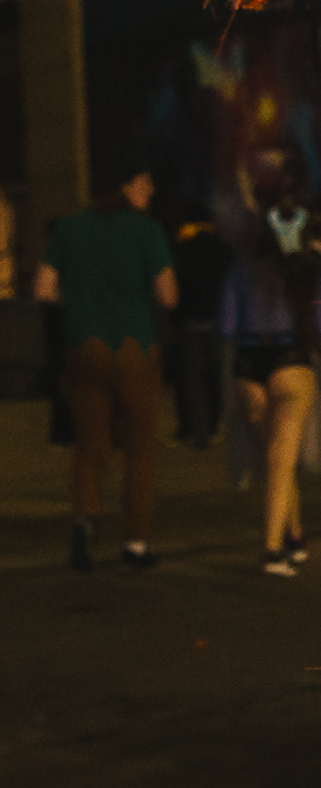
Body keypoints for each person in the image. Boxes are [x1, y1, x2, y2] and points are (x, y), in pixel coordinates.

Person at [33, 160, 176, 571]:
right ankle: (135, 542)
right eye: (145, 182)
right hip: (135, 349)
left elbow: (43, 288)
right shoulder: (147, 231)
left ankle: (83, 521)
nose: (150, 190)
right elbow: (169, 296)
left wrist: (78, 303)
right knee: (139, 448)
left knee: (90, 445)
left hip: (84, 348)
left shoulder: (70, 228)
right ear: (126, 186)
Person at [219, 178, 321, 575]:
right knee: (281, 460)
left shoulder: (241, 271)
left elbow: (226, 326)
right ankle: (272, 551)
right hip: (291, 360)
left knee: (275, 457)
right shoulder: (306, 274)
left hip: (249, 366)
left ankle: (296, 533)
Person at [171, 207, 231, 449]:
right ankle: (217, 424)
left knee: (194, 381)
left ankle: (200, 431)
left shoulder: (183, 252)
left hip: (192, 323)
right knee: (219, 378)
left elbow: (176, 289)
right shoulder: (224, 252)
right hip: (219, 324)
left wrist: (177, 319)